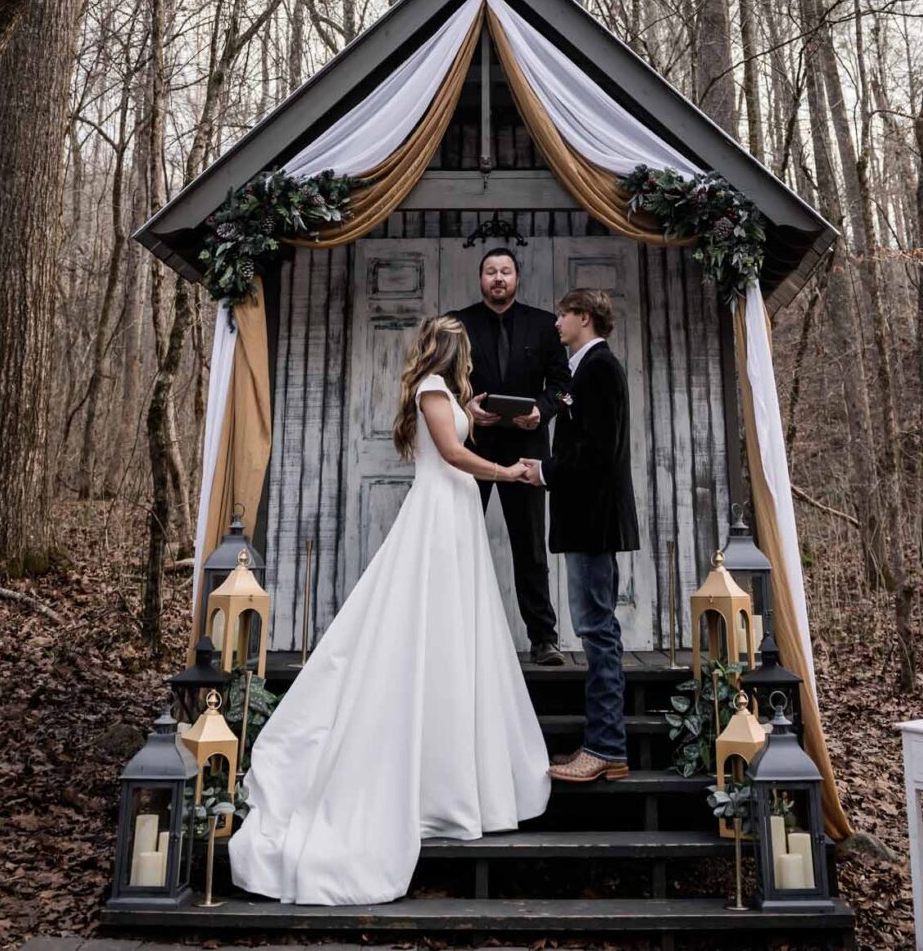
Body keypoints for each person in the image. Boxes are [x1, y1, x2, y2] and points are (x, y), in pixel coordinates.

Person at [228, 315, 551, 905]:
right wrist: (505, 471)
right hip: (439, 509)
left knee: (458, 625)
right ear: (452, 349)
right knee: (428, 617)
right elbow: (450, 454)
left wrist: (472, 413)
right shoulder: (432, 387)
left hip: (455, 514)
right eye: (465, 349)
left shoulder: (445, 393)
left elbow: (453, 431)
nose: (470, 357)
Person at [516, 286, 638, 783]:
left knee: (597, 632)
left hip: (593, 521)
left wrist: (544, 471)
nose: (556, 323)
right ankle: (601, 745)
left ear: (584, 317)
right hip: (582, 520)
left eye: (563, 314)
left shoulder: (600, 369)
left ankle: (606, 748)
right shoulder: (581, 370)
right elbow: (579, 437)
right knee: (595, 629)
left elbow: (598, 452)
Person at [457, 247, 570, 667]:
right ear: (480, 279)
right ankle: (457, 637)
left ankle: (543, 639)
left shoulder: (544, 325)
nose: (498, 278)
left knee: (531, 546)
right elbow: (442, 380)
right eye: (491, 271)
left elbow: (564, 385)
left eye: (505, 271)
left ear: (517, 277)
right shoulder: (459, 324)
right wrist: (466, 406)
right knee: (459, 540)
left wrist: (542, 409)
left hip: (527, 450)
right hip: (473, 448)